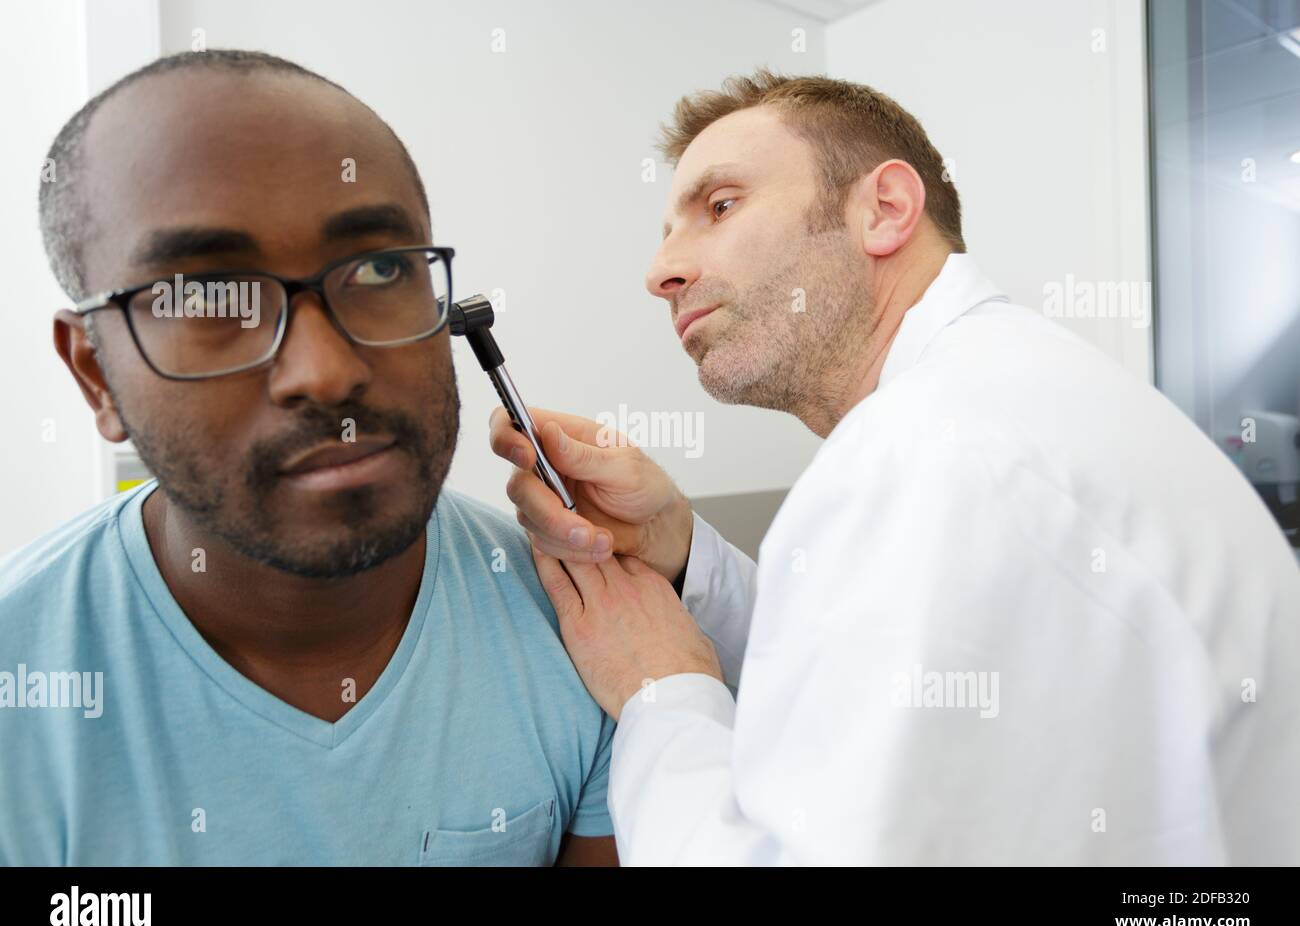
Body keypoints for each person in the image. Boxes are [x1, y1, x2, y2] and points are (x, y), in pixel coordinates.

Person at [491, 70, 1300, 865]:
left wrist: (659, 691)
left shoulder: (934, 454)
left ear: (884, 210)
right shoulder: (995, 400)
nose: (660, 270)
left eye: (719, 206)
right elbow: (868, 667)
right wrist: (682, 547)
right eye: (668, 229)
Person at [0, 50, 617, 866]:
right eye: (211, 296)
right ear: (95, 374)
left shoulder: (588, 627)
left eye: (380, 267)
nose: (326, 370)